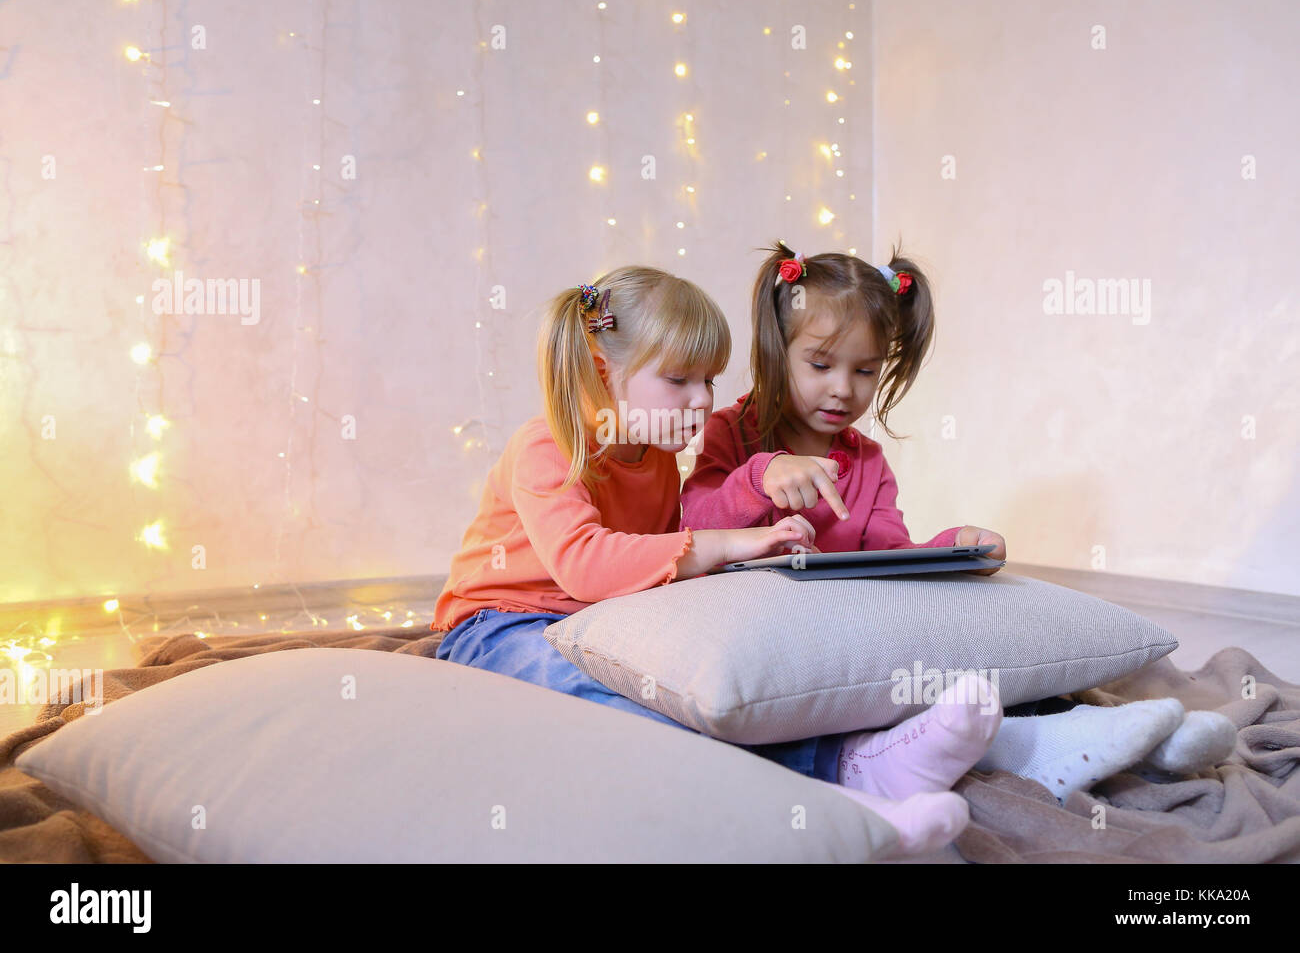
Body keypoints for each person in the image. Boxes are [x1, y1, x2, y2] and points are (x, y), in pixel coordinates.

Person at [432, 266, 1007, 857]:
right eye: (680, 379)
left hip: (592, 622)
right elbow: (586, 565)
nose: (704, 400)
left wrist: (762, 550)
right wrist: (728, 542)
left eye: (709, 379)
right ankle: (815, 801)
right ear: (604, 373)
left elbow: (658, 565)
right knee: (617, 704)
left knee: (694, 687)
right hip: (499, 624)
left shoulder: (656, 462)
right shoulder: (546, 445)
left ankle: (855, 765)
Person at [680, 241, 1235, 802]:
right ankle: (1036, 746)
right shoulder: (733, 431)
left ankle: (1111, 738)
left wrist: (954, 547)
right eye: (821, 365)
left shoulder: (868, 459)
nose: (844, 388)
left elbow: (890, 555)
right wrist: (761, 475)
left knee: (974, 649)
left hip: (864, 626)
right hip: (787, 636)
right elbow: (690, 523)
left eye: (866, 370)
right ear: (778, 351)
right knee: (881, 698)